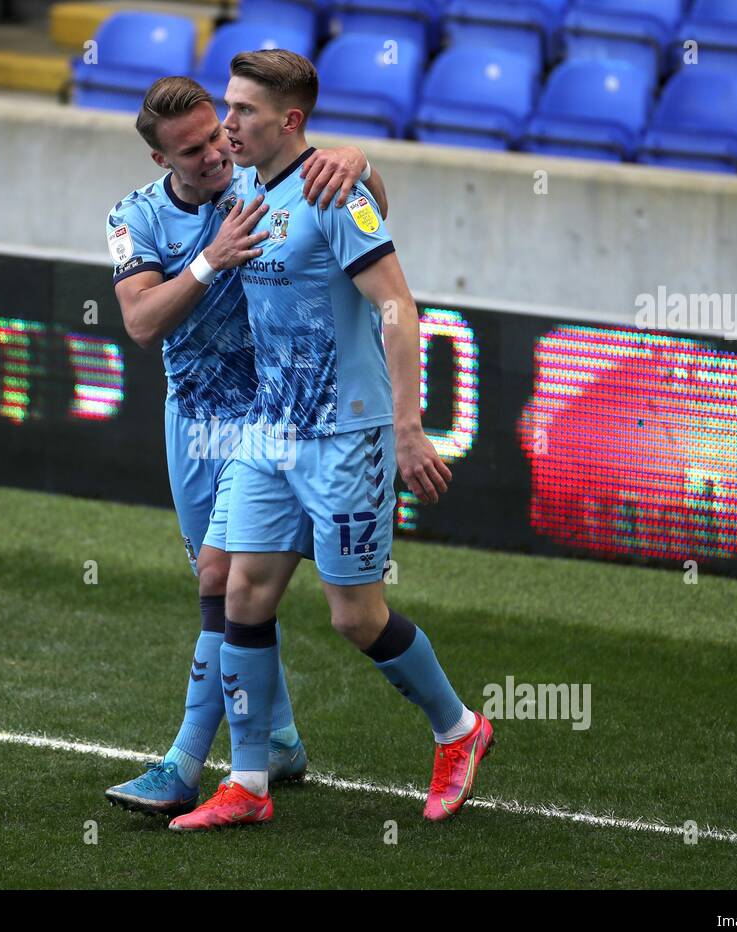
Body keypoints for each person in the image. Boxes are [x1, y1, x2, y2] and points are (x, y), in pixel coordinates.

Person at [168, 50, 494, 832]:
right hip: (266, 432)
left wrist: (409, 428)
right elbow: (171, 179)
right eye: (227, 106)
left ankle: (458, 729)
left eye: (243, 111)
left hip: (347, 436)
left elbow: (399, 309)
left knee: (354, 616)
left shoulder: (335, 194)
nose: (227, 124)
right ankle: (246, 781)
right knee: (240, 592)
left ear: (291, 121)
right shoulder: (244, 185)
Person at [103, 75, 390, 817]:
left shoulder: (259, 183)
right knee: (229, 592)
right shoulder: (133, 218)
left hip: (268, 416)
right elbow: (140, 324)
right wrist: (210, 259)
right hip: (192, 421)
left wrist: (359, 160)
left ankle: (185, 764)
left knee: (220, 579)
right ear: (163, 157)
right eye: (191, 149)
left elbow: (366, 214)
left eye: (216, 135)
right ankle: (281, 740)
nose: (213, 154)